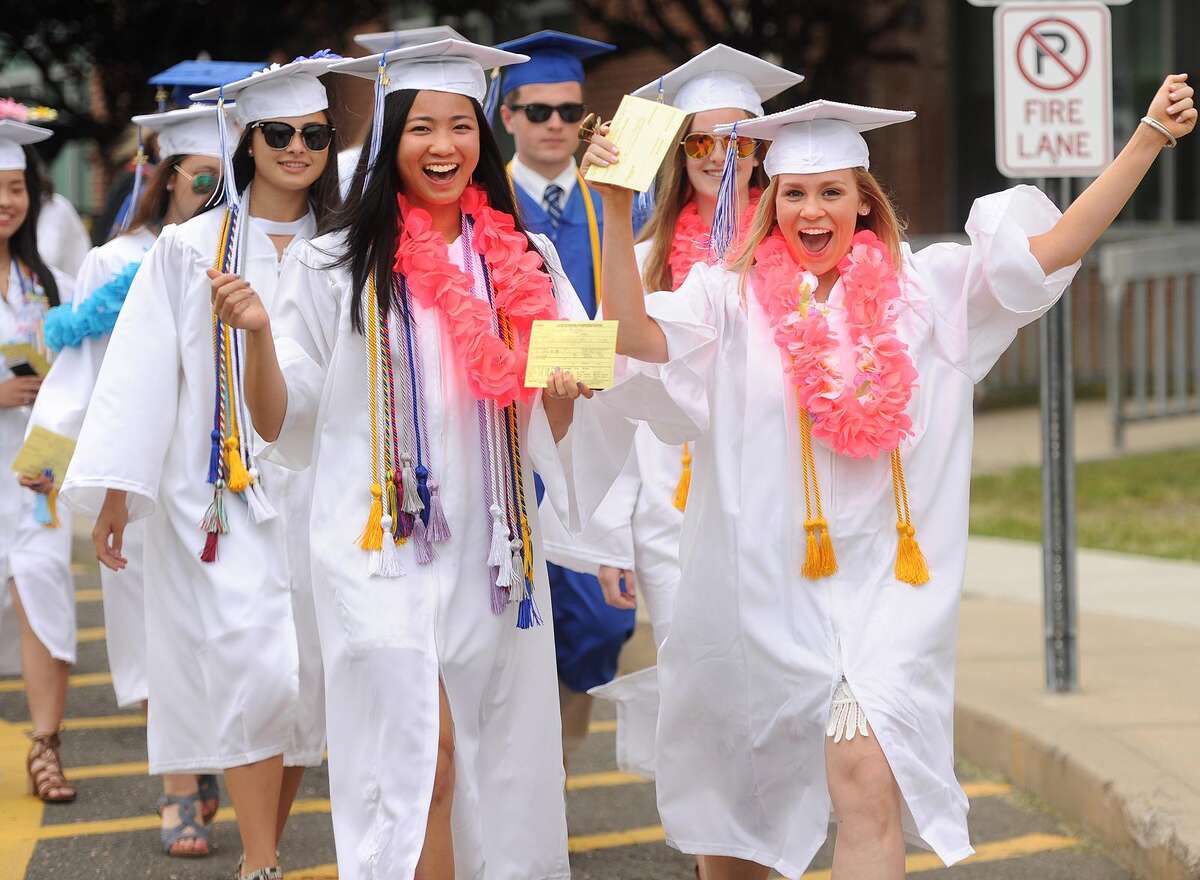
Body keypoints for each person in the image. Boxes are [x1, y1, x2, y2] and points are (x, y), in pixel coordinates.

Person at [577, 74, 1195, 880]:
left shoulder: (928, 293)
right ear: (771, 201)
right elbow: (631, 335)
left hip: (890, 590)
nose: (810, 213)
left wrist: (1146, 137)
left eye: (831, 192)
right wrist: (617, 208)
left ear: (864, 201)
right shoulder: (728, 300)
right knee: (738, 818)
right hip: (763, 591)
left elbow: (1056, 249)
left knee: (868, 780)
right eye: (793, 193)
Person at [215, 38, 590, 880]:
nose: (444, 145)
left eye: (461, 126)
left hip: (490, 560)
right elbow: (284, 420)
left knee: (483, 768)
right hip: (376, 550)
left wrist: (567, 385)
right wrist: (261, 339)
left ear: (482, 143)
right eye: (423, 127)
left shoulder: (525, 264)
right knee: (427, 758)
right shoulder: (333, 264)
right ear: (392, 141)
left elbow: (564, 414)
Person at [62, 56, 342, 880]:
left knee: (304, 682)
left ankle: (266, 846)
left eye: (315, 135)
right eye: (280, 134)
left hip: (325, 491)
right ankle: (260, 863)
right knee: (254, 667)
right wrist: (119, 488)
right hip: (218, 495)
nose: (298, 148)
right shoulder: (191, 247)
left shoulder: (346, 246)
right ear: (248, 142)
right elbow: (144, 369)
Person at [563, 50, 801, 774]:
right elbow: (611, 396)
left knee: (775, 670)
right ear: (678, 150)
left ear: (763, 150)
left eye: (738, 141)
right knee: (696, 671)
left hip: (779, 504)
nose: (719, 157)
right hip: (672, 511)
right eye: (700, 140)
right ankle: (712, 838)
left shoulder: (796, 248)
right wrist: (608, 538)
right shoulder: (642, 260)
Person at [36, 103, 227, 857]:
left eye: (227, 177)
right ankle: (178, 789)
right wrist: (43, 465)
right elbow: (80, 373)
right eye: (204, 176)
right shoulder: (118, 263)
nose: (215, 190)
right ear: (169, 173)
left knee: (224, 631)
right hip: (140, 471)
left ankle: (207, 755)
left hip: (225, 473)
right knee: (154, 636)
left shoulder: (239, 250)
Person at [492, 28, 640, 758]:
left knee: (600, 623)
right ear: (508, 115)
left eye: (571, 112)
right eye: (539, 110)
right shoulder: (486, 204)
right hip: (508, 428)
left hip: (595, 428)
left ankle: (555, 775)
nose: (556, 124)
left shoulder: (614, 202)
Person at [0, 111, 76, 805]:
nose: (5, 200)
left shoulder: (41, 280)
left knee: (45, 600)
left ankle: (46, 748)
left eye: (16, 186)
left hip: (32, 474)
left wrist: (53, 452)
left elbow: (69, 379)